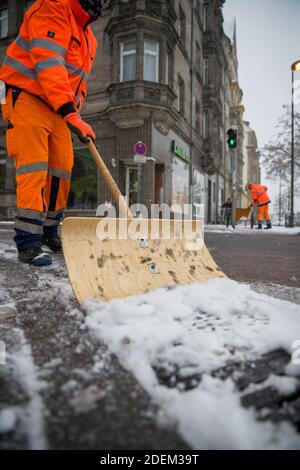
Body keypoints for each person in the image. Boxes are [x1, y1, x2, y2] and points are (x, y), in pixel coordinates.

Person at [0, 0, 106, 266]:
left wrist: (75, 112)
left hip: (56, 106)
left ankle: (49, 232)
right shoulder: (51, 7)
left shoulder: (89, 37)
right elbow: (48, 64)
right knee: (33, 166)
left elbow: (78, 83)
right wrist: (69, 111)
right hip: (26, 95)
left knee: (62, 168)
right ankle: (28, 241)